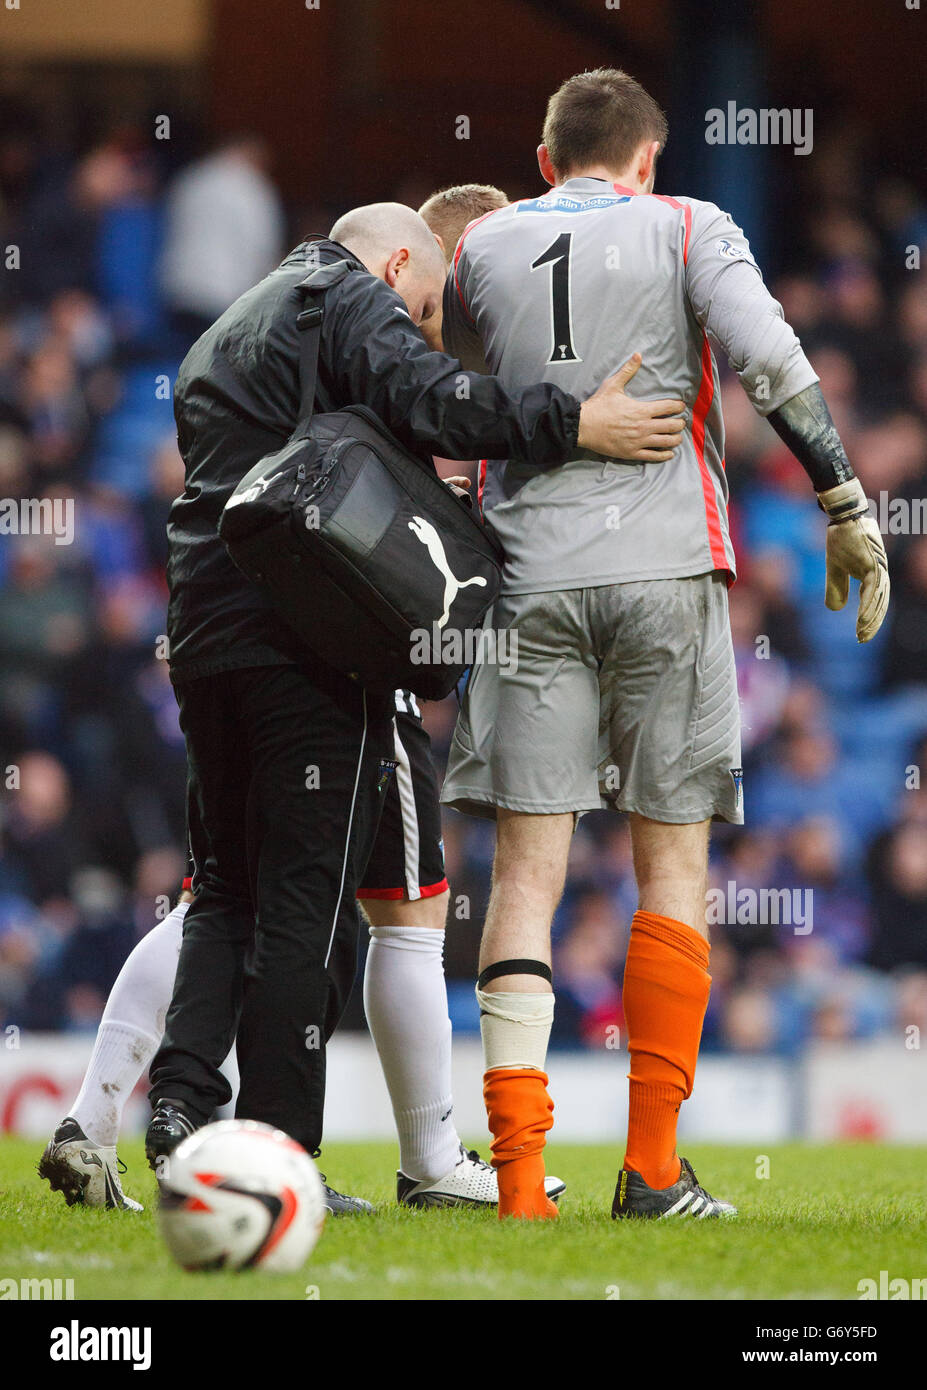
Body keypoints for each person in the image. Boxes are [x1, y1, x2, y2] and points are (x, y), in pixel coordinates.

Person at [144, 198, 688, 1194]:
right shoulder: (346, 297)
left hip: (207, 636)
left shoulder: (225, 330)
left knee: (226, 884)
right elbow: (441, 403)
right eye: (427, 306)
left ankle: (181, 1101)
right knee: (306, 903)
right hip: (305, 640)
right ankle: (276, 1157)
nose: (426, 327)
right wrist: (578, 422)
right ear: (397, 263)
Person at [439, 68, 890, 1220]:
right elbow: (774, 360)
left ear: (544, 163)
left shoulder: (484, 245)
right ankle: (648, 1173)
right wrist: (843, 500)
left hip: (527, 578)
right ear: (648, 160)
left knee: (528, 878)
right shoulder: (691, 223)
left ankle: (523, 1187)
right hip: (665, 573)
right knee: (672, 871)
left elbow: (426, 394)